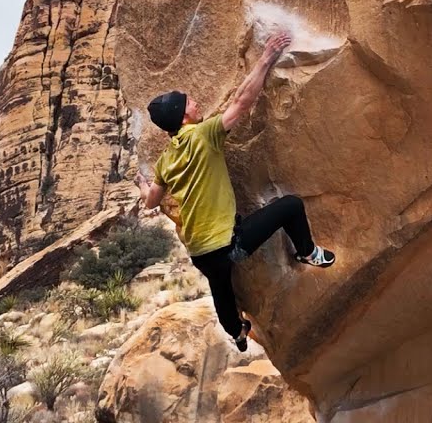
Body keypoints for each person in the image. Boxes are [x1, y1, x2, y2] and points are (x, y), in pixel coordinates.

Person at [136, 30, 335, 351]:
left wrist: (144, 185)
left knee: (222, 289)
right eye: (190, 101)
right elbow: (242, 102)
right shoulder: (203, 135)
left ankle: (238, 332)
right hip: (229, 245)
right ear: (183, 115)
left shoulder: (165, 161)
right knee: (291, 206)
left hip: (200, 253)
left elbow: (151, 202)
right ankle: (307, 251)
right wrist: (267, 57)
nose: (197, 102)